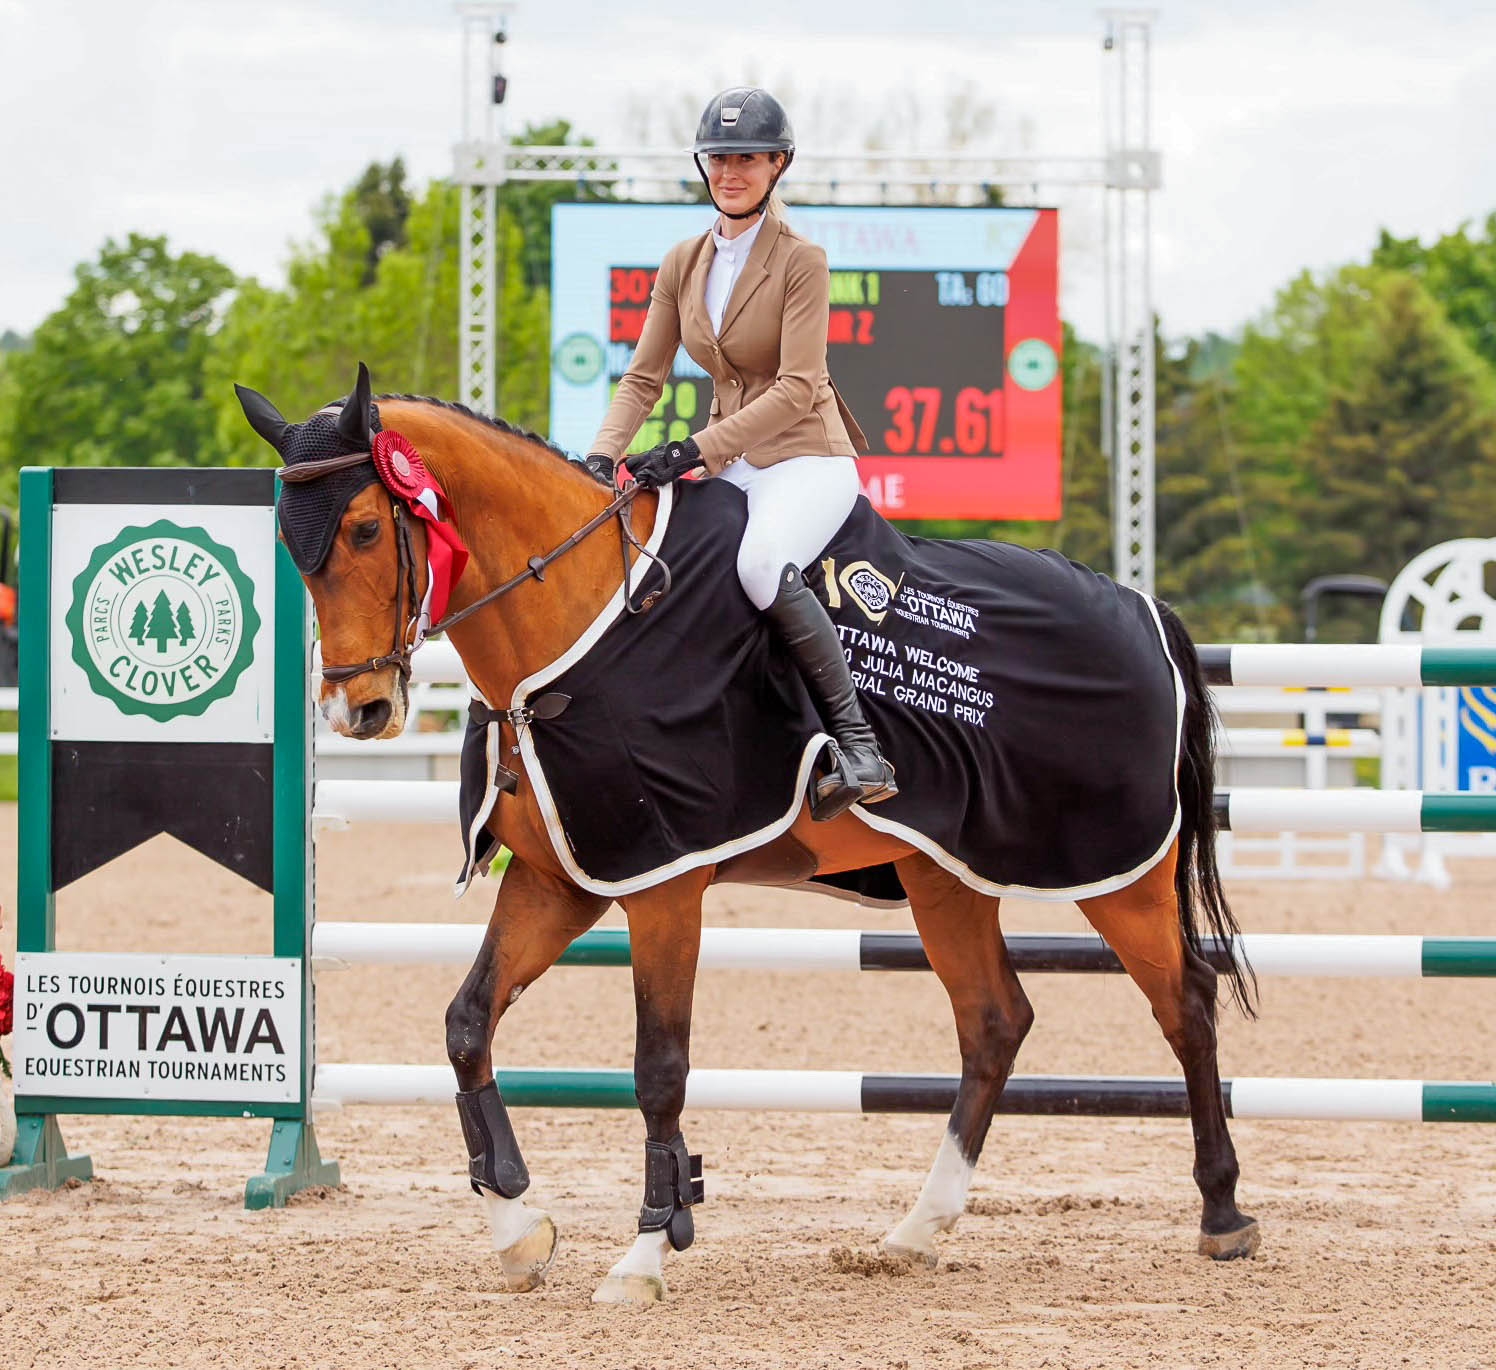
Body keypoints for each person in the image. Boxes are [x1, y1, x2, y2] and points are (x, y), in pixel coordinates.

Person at [586, 86, 896, 822]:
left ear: (777, 165)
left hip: (806, 457)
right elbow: (643, 377)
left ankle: (859, 748)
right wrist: (600, 458)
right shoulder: (682, 262)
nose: (732, 171)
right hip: (737, 460)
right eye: (720, 158)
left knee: (758, 566)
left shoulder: (802, 261)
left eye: (748, 159)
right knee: (666, 560)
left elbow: (796, 388)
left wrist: (696, 448)